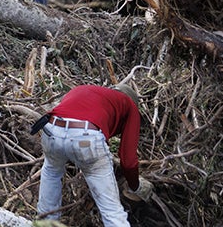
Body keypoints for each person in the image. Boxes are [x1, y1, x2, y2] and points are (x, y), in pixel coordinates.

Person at [36, 84, 153, 226]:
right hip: (86, 137)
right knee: (111, 210)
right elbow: (128, 160)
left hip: (51, 129)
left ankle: (45, 222)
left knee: (51, 171)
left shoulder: (86, 90)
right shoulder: (129, 105)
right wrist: (136, 187)